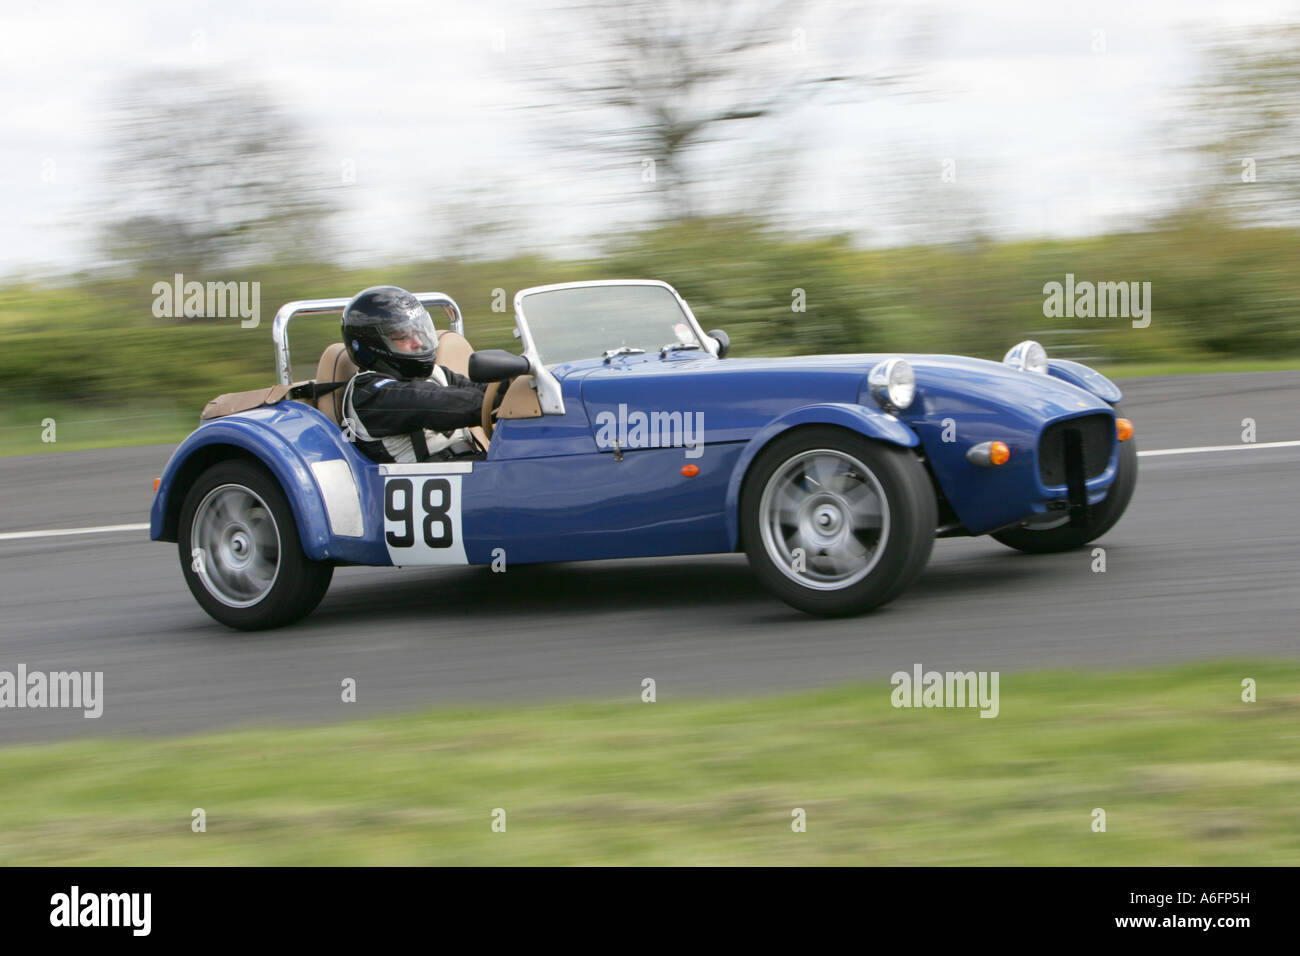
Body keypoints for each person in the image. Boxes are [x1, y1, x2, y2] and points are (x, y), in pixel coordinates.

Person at [339, 285, 499, 463]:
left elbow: (487, 390)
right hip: (442, 481)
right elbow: (441, 404)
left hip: (475, 471)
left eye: (417, 332)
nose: (417, 343)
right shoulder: (370, 396)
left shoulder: (435, 374)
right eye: (401, 337)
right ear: (371, 346)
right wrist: (507, 402)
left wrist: (521, 384)